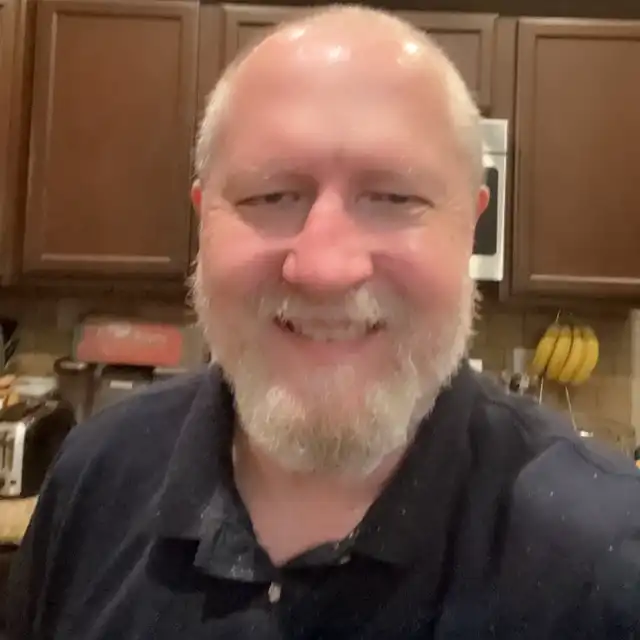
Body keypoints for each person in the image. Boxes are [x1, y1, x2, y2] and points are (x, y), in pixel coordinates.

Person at [5, 5, 639, 639]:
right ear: (204, 221)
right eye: (270, 196)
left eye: (394, 197)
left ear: (470, 228)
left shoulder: (608, 565)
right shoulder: (94, 476)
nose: (323, 268)